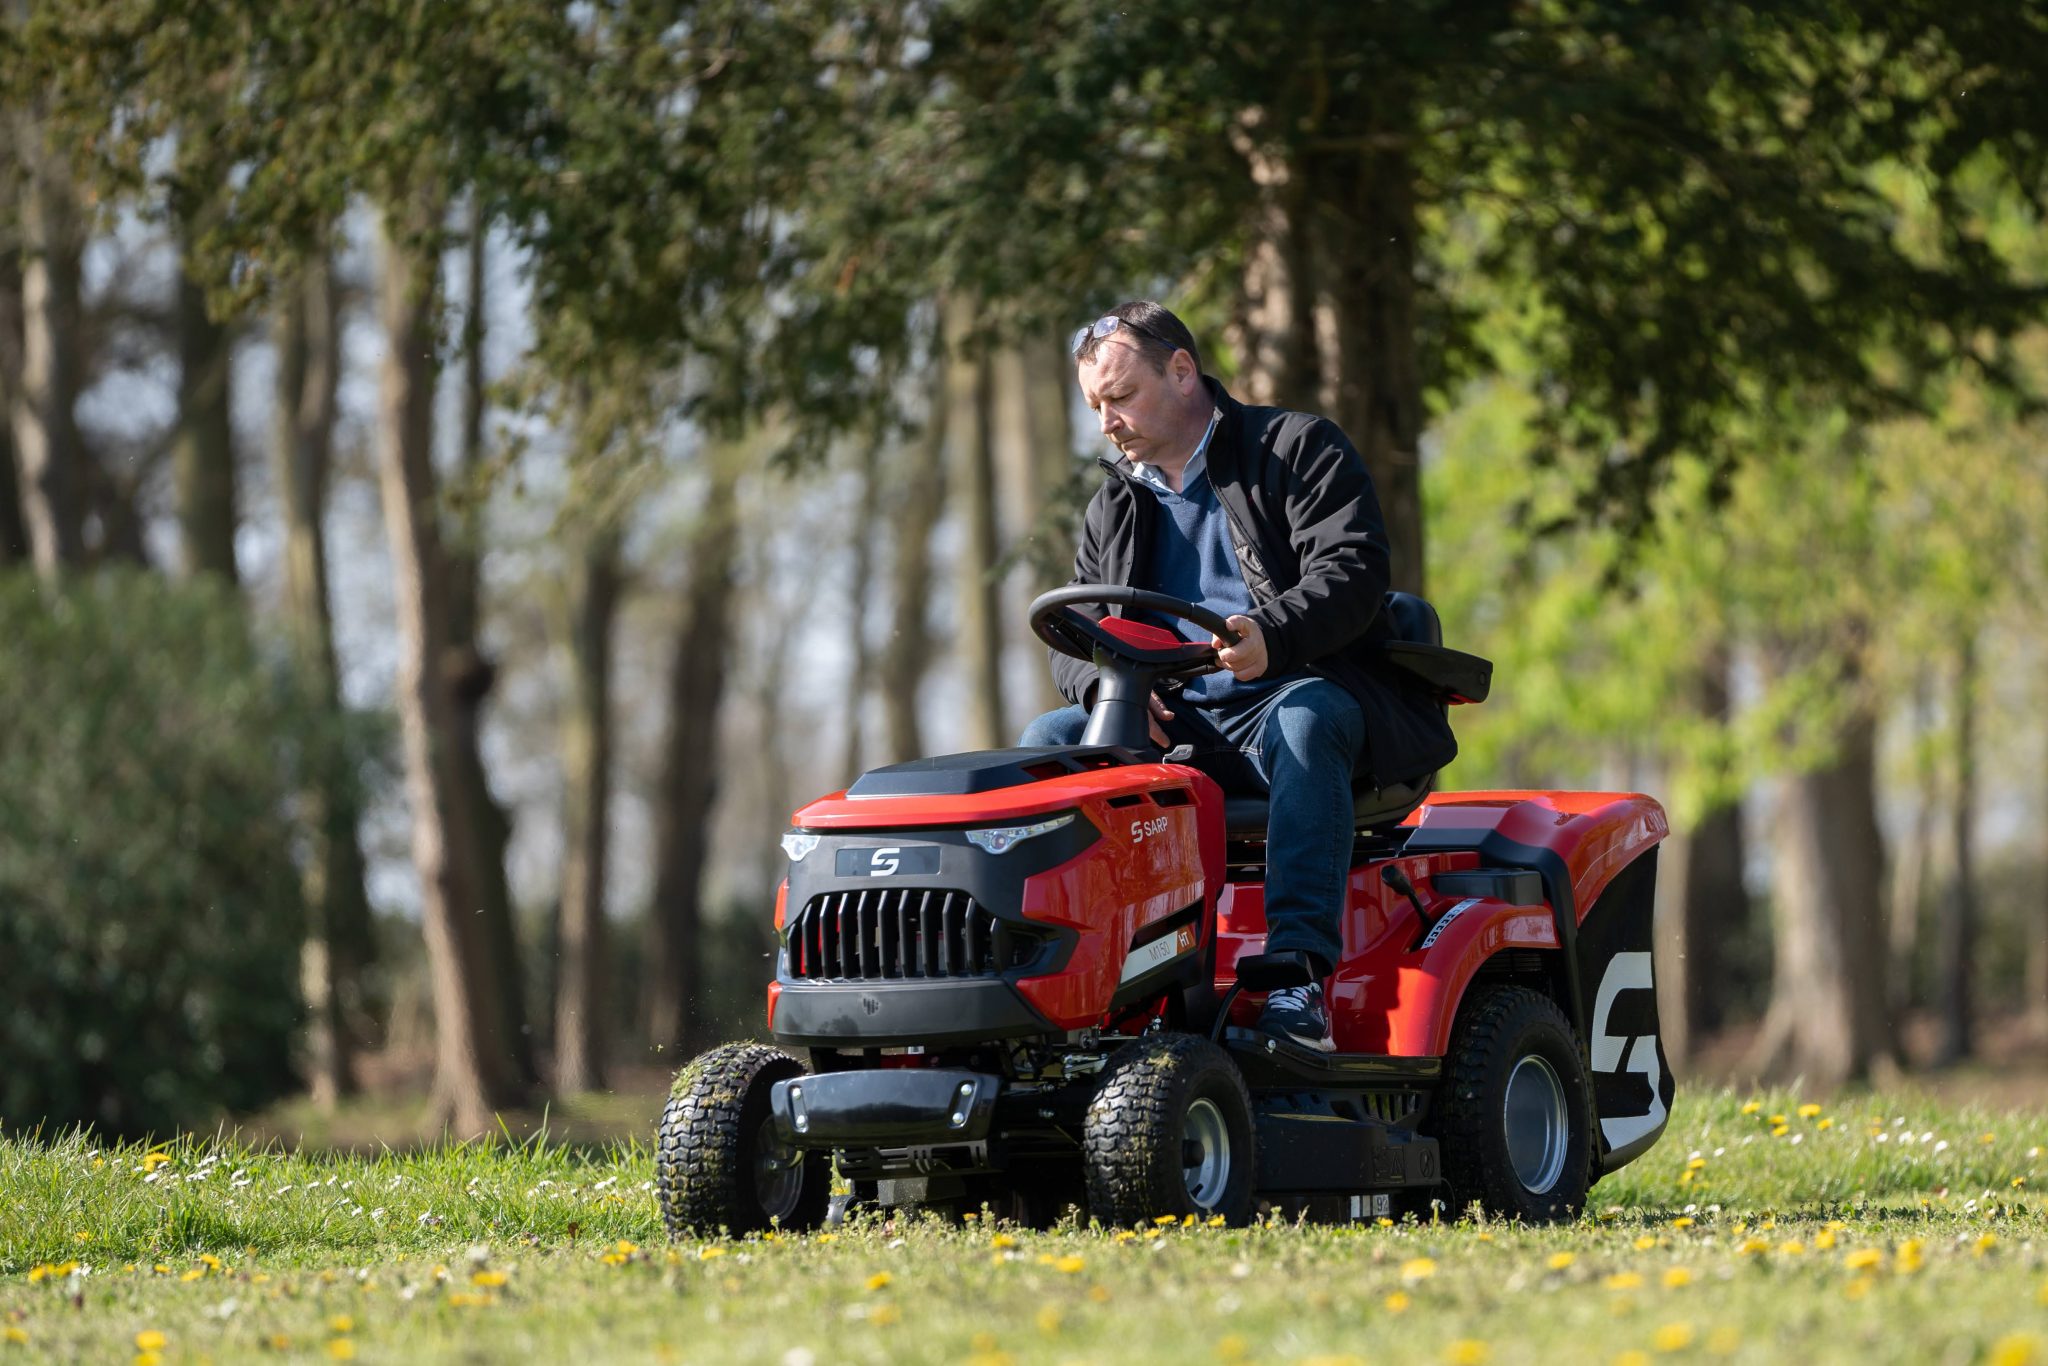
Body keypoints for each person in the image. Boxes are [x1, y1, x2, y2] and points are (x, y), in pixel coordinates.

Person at [1020, 300, 1457, 1052]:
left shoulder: (1297, 450)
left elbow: (1354, 572)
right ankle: (1067, 985)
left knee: (1306, 720)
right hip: (1174, 725)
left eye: (1119, 397)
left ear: (1182, 371)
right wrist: (1102, 688)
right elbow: (1077, 637)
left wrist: (1274, 635)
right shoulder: (1114, 505)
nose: (1106, 423)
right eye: (1096, 405)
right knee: (1047, 744)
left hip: (1289, 693)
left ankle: (1295, 982)